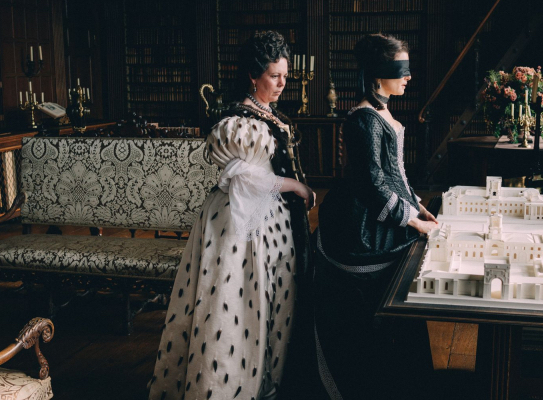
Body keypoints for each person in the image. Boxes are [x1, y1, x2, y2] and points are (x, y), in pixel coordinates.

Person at [148, 31, 315, 400]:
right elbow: (246, 177)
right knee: (239, 307)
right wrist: (297, 187)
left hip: (273, 227)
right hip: (242, 229)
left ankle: (267, 383)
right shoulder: (240, 123)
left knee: (272, 305)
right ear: (253, 77)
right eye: (275, 76)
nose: (283, 83)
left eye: (285, 75)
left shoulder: (266, 114)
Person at [312, 33, 437, 400]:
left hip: (381, 211)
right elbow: (372, 184)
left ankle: (400, 374)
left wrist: (418, 205)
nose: (409, 77)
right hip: (359, 226)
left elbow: (395, 172)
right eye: (402, 70)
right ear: (379, 73)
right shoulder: (363, 120)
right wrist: (413, 221)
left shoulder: (383, 111)